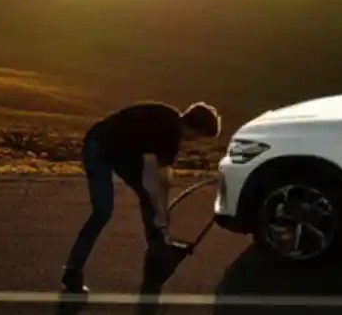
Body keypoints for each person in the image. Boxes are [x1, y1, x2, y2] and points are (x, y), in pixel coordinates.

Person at [61, 102, 222, 293]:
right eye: (199, 136)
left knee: (149, 200)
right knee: (102, 212)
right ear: (196, 129)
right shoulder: (169, 134)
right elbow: (161, 180)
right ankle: (73, 271)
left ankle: (155, 259)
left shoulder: (170, 120)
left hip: (125, 153)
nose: (194, 141)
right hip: (100, 146)